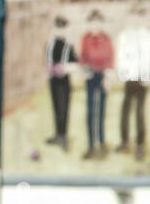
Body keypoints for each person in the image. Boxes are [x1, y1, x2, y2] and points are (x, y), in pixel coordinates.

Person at [116, 1, 150, 163]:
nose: (137, 21)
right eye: (134, 17)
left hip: (142, 78)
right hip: (129, 78)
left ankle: (140, 145)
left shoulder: (148, 35)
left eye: (140, 17)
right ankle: (125, 142)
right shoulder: (125, 35)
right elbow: (121, 56)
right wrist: (123, 74)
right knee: (125, 110)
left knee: (139, 111)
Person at [80, 8, 114, 159]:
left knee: (100, 111)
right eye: (92, 23)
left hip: (102, 76)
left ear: (101, 24)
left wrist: (108, 77)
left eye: (98, 23)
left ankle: (101, 143)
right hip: (91, 76)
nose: (95, 27)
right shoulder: (86, 39)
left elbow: (110, 59)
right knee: (90, 111)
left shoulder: (106, 39)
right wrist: (85, 70)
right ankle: (91, 145)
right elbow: (83, 57)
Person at [44, 15, 77, 150]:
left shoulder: (68, 46)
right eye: (57, 28)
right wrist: (49, 68)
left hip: (64, 81)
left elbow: (75, 64)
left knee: (64, 108)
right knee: (56, 106)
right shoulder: (49, 45)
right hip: (53, 81)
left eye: (62, 28)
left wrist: (64, 68)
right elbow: (46, 62)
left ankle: (64, 136)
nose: (59, 31)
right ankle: (57, 134)